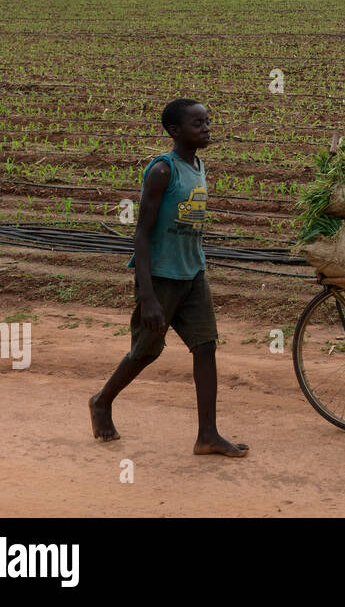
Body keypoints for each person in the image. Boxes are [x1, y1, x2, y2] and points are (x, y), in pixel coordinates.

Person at [89, 98, 248, 457]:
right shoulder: (163, 170)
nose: (206, 128)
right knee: (145, 352)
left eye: (207, 121)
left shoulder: (198, 166)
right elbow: (142, 233)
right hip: (160, 278)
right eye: (197, 123)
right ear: (175, 131)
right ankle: (102, 400)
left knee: (205, 347)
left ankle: (207, 434)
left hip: (193, 273)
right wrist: (147, 296)